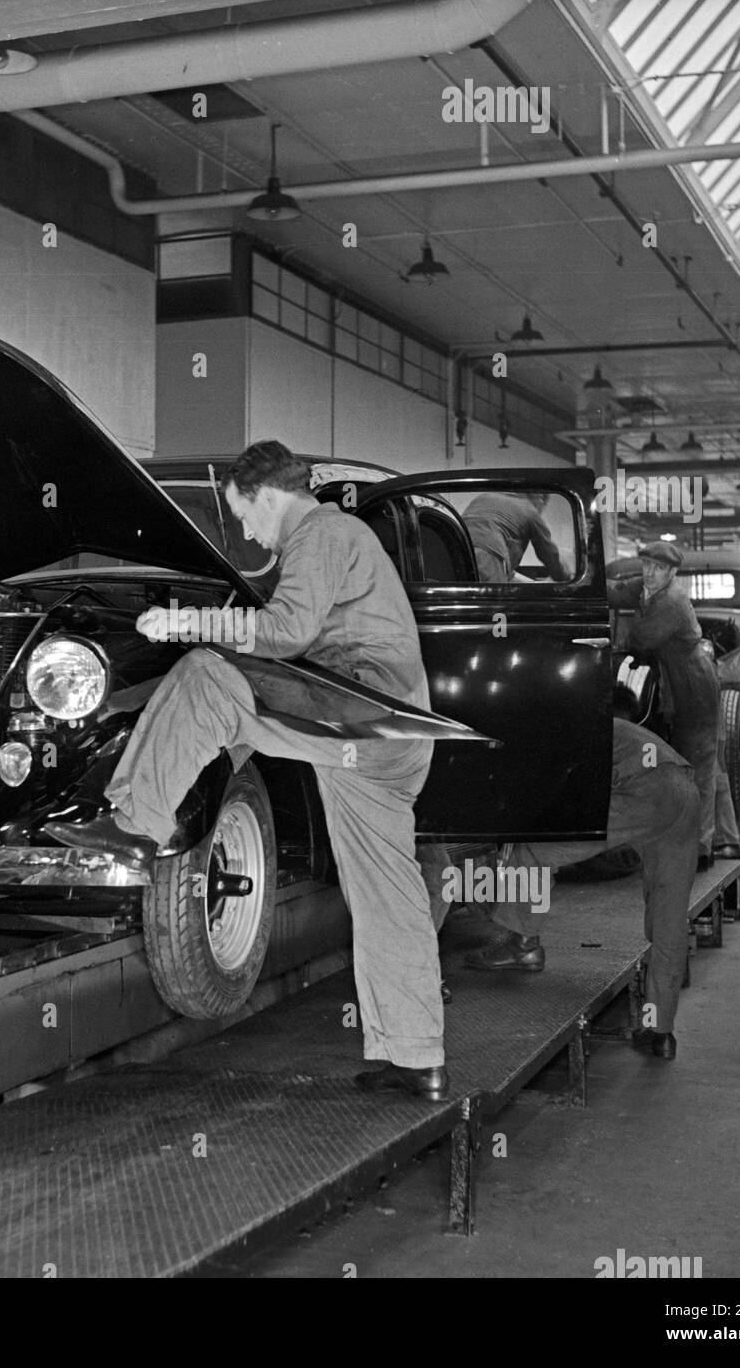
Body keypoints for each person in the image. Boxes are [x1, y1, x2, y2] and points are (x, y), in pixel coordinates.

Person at [50, 440, 448, 1099]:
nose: (245, 530)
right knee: (384, 896)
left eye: (242, 515)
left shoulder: (321, 534)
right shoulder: (338, 539)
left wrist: (190, 623)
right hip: (379, 741)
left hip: (358, 726)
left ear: (265, 496)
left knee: (207, 677)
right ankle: (415, 1054)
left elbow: (286, 633)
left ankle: (134, 826)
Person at [465, 711, 698, 1059]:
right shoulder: (602, 723)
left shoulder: (564, 732)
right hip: (685, 792)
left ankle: (523, 944)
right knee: (669, 912)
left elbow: (560, 795)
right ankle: (661, 1031)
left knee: (534, 848)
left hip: (646, 791)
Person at [608, 540, 720, 871]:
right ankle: (702, 839)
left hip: (692, 685)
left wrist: (633, 611)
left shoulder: (671, 601)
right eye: (646, 566)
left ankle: (702, 849)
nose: (650, 573)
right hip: (671, 681)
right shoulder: (647, 587)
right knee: (691, 764)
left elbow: (640, 638)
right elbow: (614, 590)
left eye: (658, 569)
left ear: (671, 573)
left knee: (698, 765)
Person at [462, 490, 571, 584]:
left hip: (457, 550)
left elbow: (506, 574)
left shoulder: (484, 497)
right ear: (541, 499)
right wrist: (567, 578)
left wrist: (532, 584)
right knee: (495, 603)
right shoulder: (530, 511)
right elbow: (550, 555)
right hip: (487, 555)